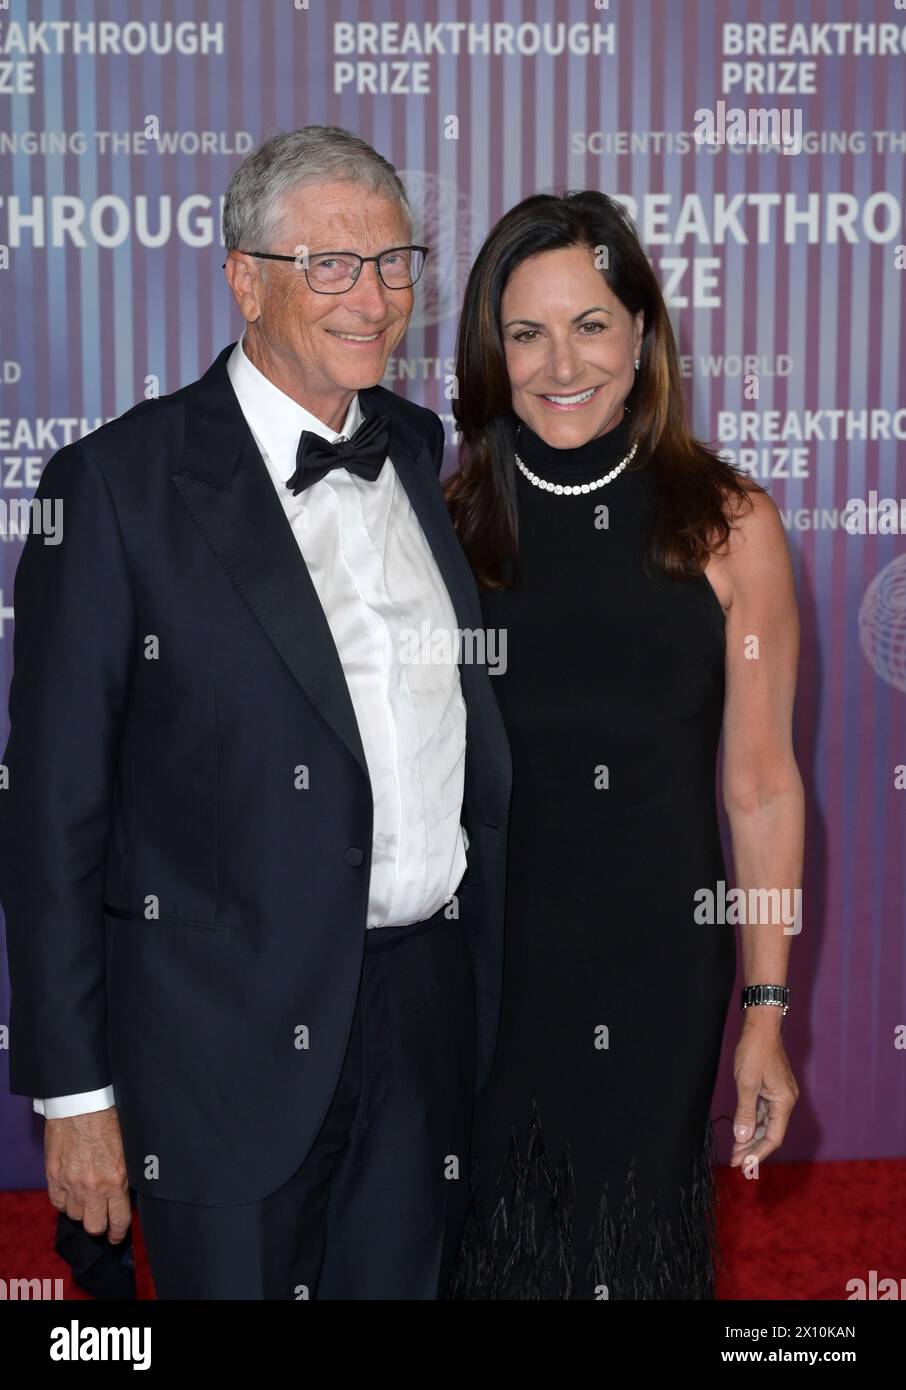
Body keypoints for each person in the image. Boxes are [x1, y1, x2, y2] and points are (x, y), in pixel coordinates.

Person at [0, 126, 511, 1300]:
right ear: (245, 277)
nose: (375, 298)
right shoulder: (116, 489)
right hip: (216, 1049)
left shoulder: (417, 447)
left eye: (395, 263)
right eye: (330, 264)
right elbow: (53, 815)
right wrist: (77, 1097)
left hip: (420, 1019)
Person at [443, 191, 803, 1299]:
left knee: (634, 1262)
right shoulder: (446, 523)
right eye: (527, 332)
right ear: (491, 353)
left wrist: (765, 1009)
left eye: (592, 323)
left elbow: (760, 789)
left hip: (659, 970)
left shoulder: (729, 525)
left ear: (643, 331)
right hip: (482, 976)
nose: (563, 362)